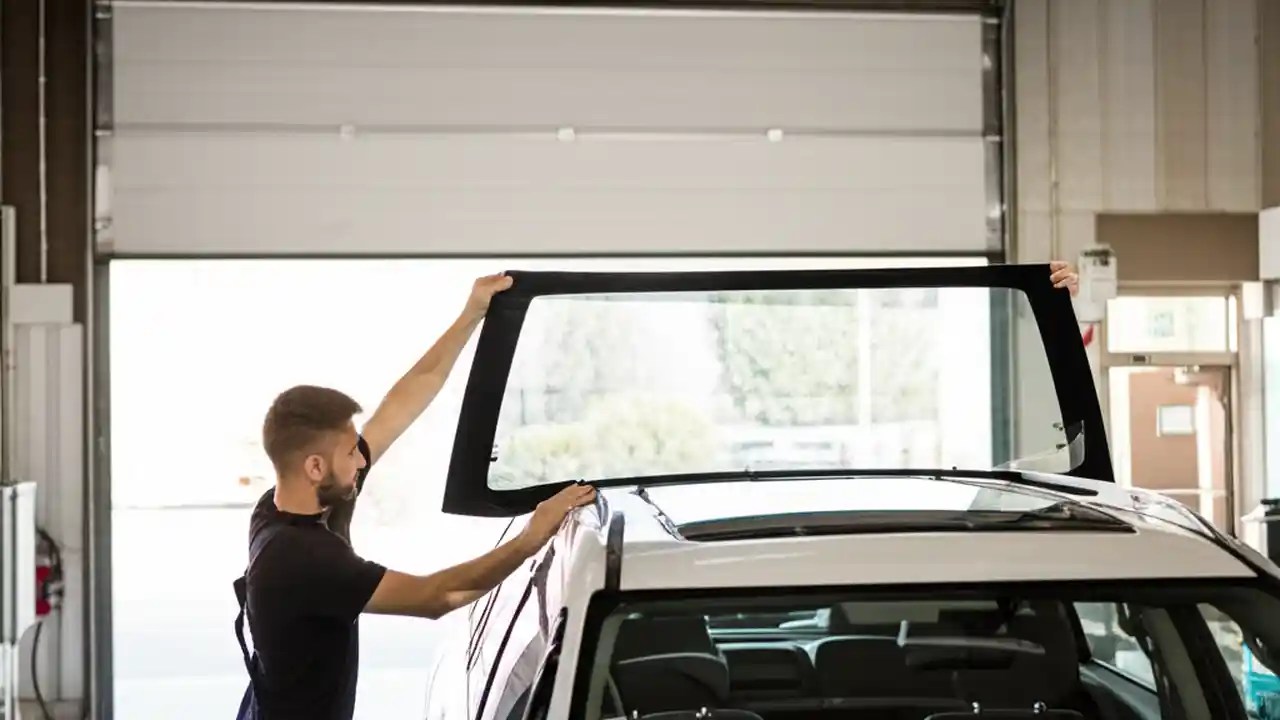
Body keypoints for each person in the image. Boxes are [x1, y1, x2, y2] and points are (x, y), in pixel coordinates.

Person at [234, 272, 596, 720]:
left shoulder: (282, 506)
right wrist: (530, 538)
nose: (363, 460)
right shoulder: (305, 559)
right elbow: (437, 597)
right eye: (351, 452)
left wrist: (472, 313)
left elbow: (401, 405)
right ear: (314, 467)